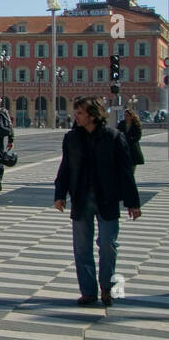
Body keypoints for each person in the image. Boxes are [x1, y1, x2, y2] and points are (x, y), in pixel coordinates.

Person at [55, 97, 141, 307]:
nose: (76, 116)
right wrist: (60, 194)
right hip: (81, 197)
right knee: (82, 247)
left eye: (81, 113)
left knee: (107, 244)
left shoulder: (113, 137)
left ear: (92, 116)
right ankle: (88, 291)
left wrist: (133, 202)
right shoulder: (72, 138)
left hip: (107, 198)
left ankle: (106, 287)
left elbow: (125, 172)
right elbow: (65, 167)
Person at [117, 108, 145, 175]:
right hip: (123, 146)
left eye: (127, 115)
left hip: (133, 147)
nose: (125, 117)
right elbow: (117, 132)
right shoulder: (122, 123)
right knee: (124, 163)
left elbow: (138, 136)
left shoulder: (136, 124)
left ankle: (132, 176)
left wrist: (131, 139)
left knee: (133, 163)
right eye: (125, 115)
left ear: (131, 116)